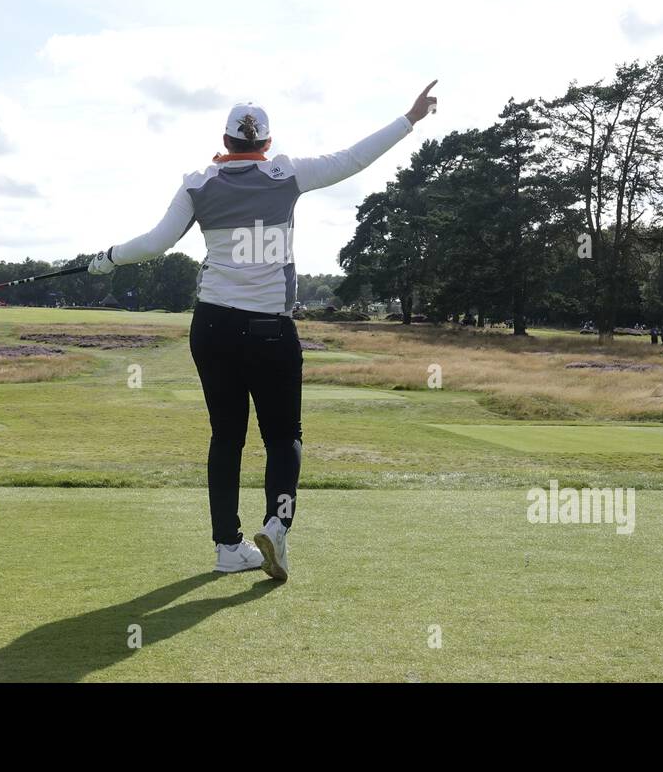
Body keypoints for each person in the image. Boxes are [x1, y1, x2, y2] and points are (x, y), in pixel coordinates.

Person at [87, 83, 439, 581]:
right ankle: (276, 524)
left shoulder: (197, 182)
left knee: (226, 437)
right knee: (283, 436)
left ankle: (228, 548)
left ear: (226, 140)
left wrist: (106, 260)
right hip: (271, 330)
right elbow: (352, 159)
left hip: (213, 327)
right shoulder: (287, 173)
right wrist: (410, 119)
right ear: (266, 143)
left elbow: (154, 244)